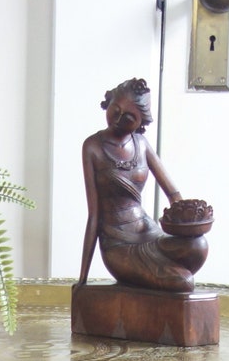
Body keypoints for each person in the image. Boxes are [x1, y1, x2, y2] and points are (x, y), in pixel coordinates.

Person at [78, 78, 206, 292]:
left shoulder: (141, 144)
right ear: (108, 102)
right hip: (119, 244)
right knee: (183, 281)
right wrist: (82, 278)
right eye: (115, 110)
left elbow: (173, 194)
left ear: (140, 123)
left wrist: (188, 221)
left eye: (128, 118)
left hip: (149, 233)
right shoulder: (93, 147)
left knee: (198, 247)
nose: (118, 119)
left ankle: (160, 282)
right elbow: (93, 215)